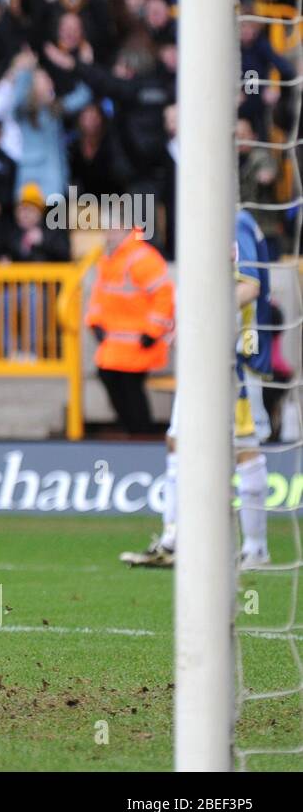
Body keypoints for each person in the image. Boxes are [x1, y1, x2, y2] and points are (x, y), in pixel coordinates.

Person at [123, 210, 273, 570]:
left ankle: (255, 548)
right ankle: (175, 540)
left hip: (232, 357)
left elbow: (249, 285)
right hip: (202, 356)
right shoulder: (207, 213)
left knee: (244, 449)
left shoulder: (233, 220)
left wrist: (203, 319)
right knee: (177, 439)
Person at [84, 216, 174, 434]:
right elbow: (100, 294)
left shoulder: (142, 258)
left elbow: (163, 295)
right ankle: (133, 431)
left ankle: (140, 434)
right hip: (116, 343)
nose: (108, 234)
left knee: (131, 388)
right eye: (107, 230)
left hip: (138, 342)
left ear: (126, 229)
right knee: (110, 378)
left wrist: (152, 332)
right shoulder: (109, 258)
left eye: (113, 229)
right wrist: (95, 322)